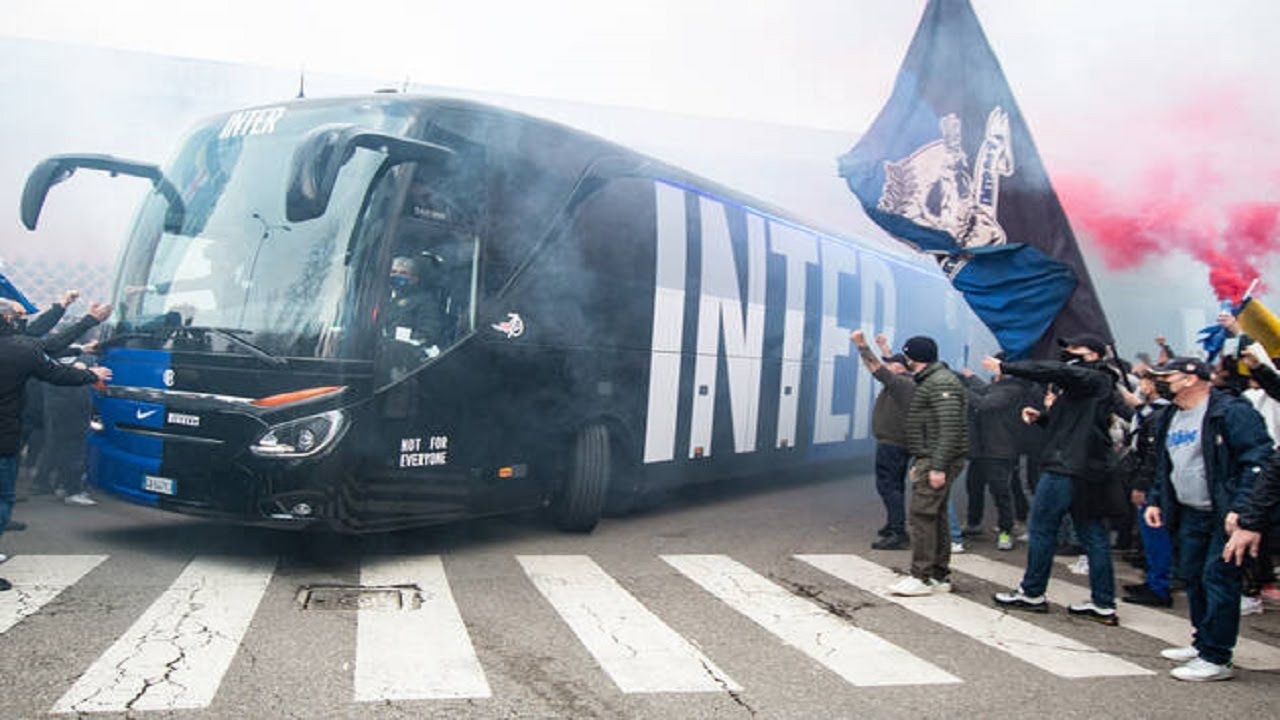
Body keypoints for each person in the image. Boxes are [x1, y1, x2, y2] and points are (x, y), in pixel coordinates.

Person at [1145, 357, 1272, 681]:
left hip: (1224, 513)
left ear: (1190, 379)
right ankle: (1203, 642)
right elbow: (1166, 464)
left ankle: (1217, 657)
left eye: (1166, 376)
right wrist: (1156, 498)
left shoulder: (1230, 411)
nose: (1159, 381)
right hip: (1189, 510)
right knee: (1192, 576)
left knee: (1218, 578)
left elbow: (1258, 461)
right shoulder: (1170, 415)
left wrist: (1242, 507)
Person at [989, 335, 1130, 625]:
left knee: (1042, 529)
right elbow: (1078, 426)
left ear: (1093, 355)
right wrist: (1042, 418)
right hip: (1085, 468)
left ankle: (1032, 594)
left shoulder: (1094, 378)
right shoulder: (1089, 386)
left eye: (1075, 349)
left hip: (1067, 469)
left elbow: (1059, 371)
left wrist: (1008, 367)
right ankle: (1103, 604)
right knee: (1092, 535)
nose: (1067, 353)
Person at [0, 302, 112, 591]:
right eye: (17, 316)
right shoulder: (19, 350)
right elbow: (54, 367)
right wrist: (91, 374)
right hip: (2, 439)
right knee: (1, 501)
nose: (21, 320)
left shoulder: (21, 347)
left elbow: (45, 344)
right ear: (8, 320)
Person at [887, 335, 968, 596]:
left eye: (907, 356)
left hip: (937, 458)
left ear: (912, 358)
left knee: (921, 516)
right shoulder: (935, 380)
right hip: (931, 457)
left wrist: (937, 467)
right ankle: (938, 575)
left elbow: (949, 428)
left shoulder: (940, 383)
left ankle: (920, 577)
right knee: (937, 515)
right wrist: (919, 460)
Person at [850, 330, 914, 550]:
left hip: (893, 444)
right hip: (898, 442)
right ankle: (893, 524)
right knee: (895, 486)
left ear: (900, 368)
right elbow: (887, 363)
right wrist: (885, 347)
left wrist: (862, 345)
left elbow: (876, 368)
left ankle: (898, 532)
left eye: (893, 364)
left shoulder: (902, 384)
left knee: (888, 487)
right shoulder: (908, 381)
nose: (888, 365)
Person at [960, 359, 1029, 551]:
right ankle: (973, 523)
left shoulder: (1012, 390)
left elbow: (985, 402)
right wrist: (971, 378)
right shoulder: (1000, 387)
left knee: (1000, 493)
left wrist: (959, 389)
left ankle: (1005, 531)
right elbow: (985, 390)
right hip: (981, 449)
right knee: (973, 487)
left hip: (999, 451)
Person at [381, 254, 452, 354]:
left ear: (414, 279)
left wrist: (398, 339)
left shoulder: (426, 302)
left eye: (403, 273)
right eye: (393, 272)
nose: (396, 276)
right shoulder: (381, 299)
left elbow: (427, 334)